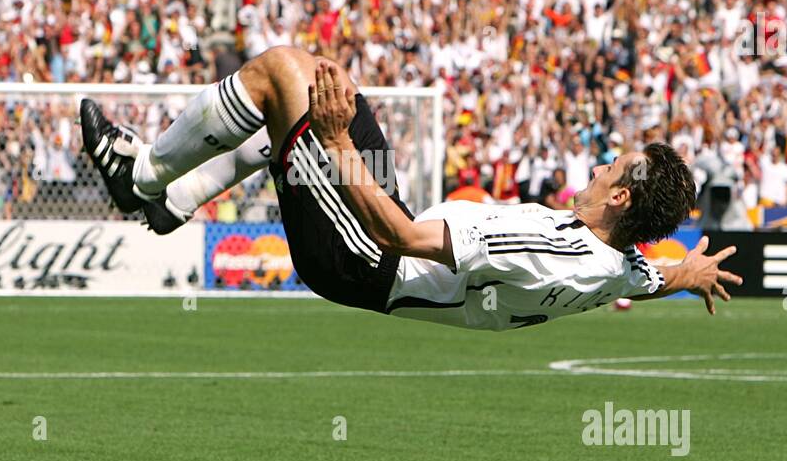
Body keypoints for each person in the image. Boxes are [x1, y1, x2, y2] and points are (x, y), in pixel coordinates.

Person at [80, 47, 740, 328]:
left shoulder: (542, 240)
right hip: (386, 231)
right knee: (318, 84)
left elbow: (403, 236)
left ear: (620, 196)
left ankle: (140, 176)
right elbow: (651, 278)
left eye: (612, 166)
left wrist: (339, 144)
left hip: (365, 256)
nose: (599, 166)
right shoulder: (616, 263)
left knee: (285, 74)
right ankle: (175, 201)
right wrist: (690, 270)